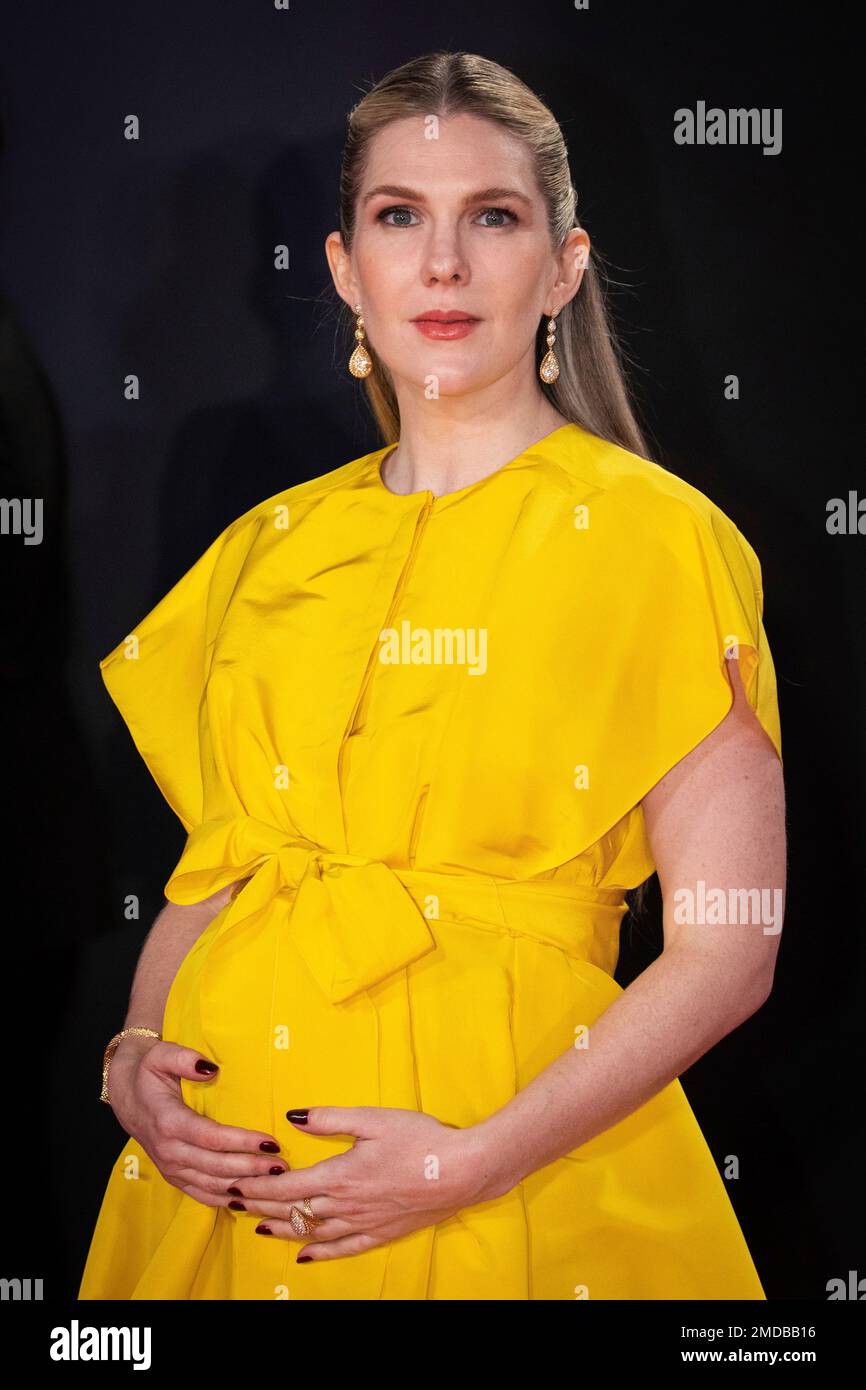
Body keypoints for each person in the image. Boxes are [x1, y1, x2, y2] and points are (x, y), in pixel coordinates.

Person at [78, 50, 786, 1301]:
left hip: (515, 1175)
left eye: (492, 217)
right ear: (348, 268)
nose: (442, 264)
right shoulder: (265, 545)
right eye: (398, 216)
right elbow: (221, 876)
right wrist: (133, 1051)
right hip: (230, 1188)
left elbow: (727, 949)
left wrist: (470, 1164)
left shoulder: (656, 539)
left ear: (562, 265)